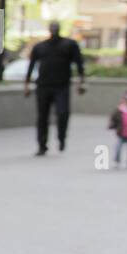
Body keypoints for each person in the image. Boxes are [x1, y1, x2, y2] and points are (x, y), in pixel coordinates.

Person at [24, 20, 86, 155]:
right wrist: (27, 84)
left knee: (63, 113)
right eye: (52, 28)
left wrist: (82, 82)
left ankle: (61, 138)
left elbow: (79, 64)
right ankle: (42, 145)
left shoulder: (69, 45)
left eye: (56, 27)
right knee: (42, 116)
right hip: (43, 86)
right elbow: (31, 66)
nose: (54, 30)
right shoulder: (40, 47)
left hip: (62, 86)